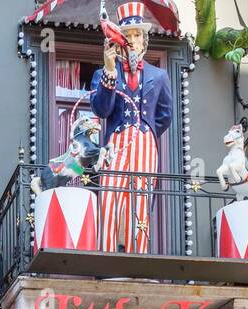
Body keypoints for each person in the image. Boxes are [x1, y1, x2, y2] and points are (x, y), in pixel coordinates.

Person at [89, 2, 174, 254]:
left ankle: (137, 257)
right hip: (115, 141)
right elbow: (101, 110)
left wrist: (145, 131)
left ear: (144, 40)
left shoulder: (159, 76)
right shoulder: (103, 72)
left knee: (140, 200)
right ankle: (106, 256)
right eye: (128, 35)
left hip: (145, 143)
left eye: (138, 35)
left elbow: (165, 115)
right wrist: (109, 70)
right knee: (110, 199)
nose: (133, 40)